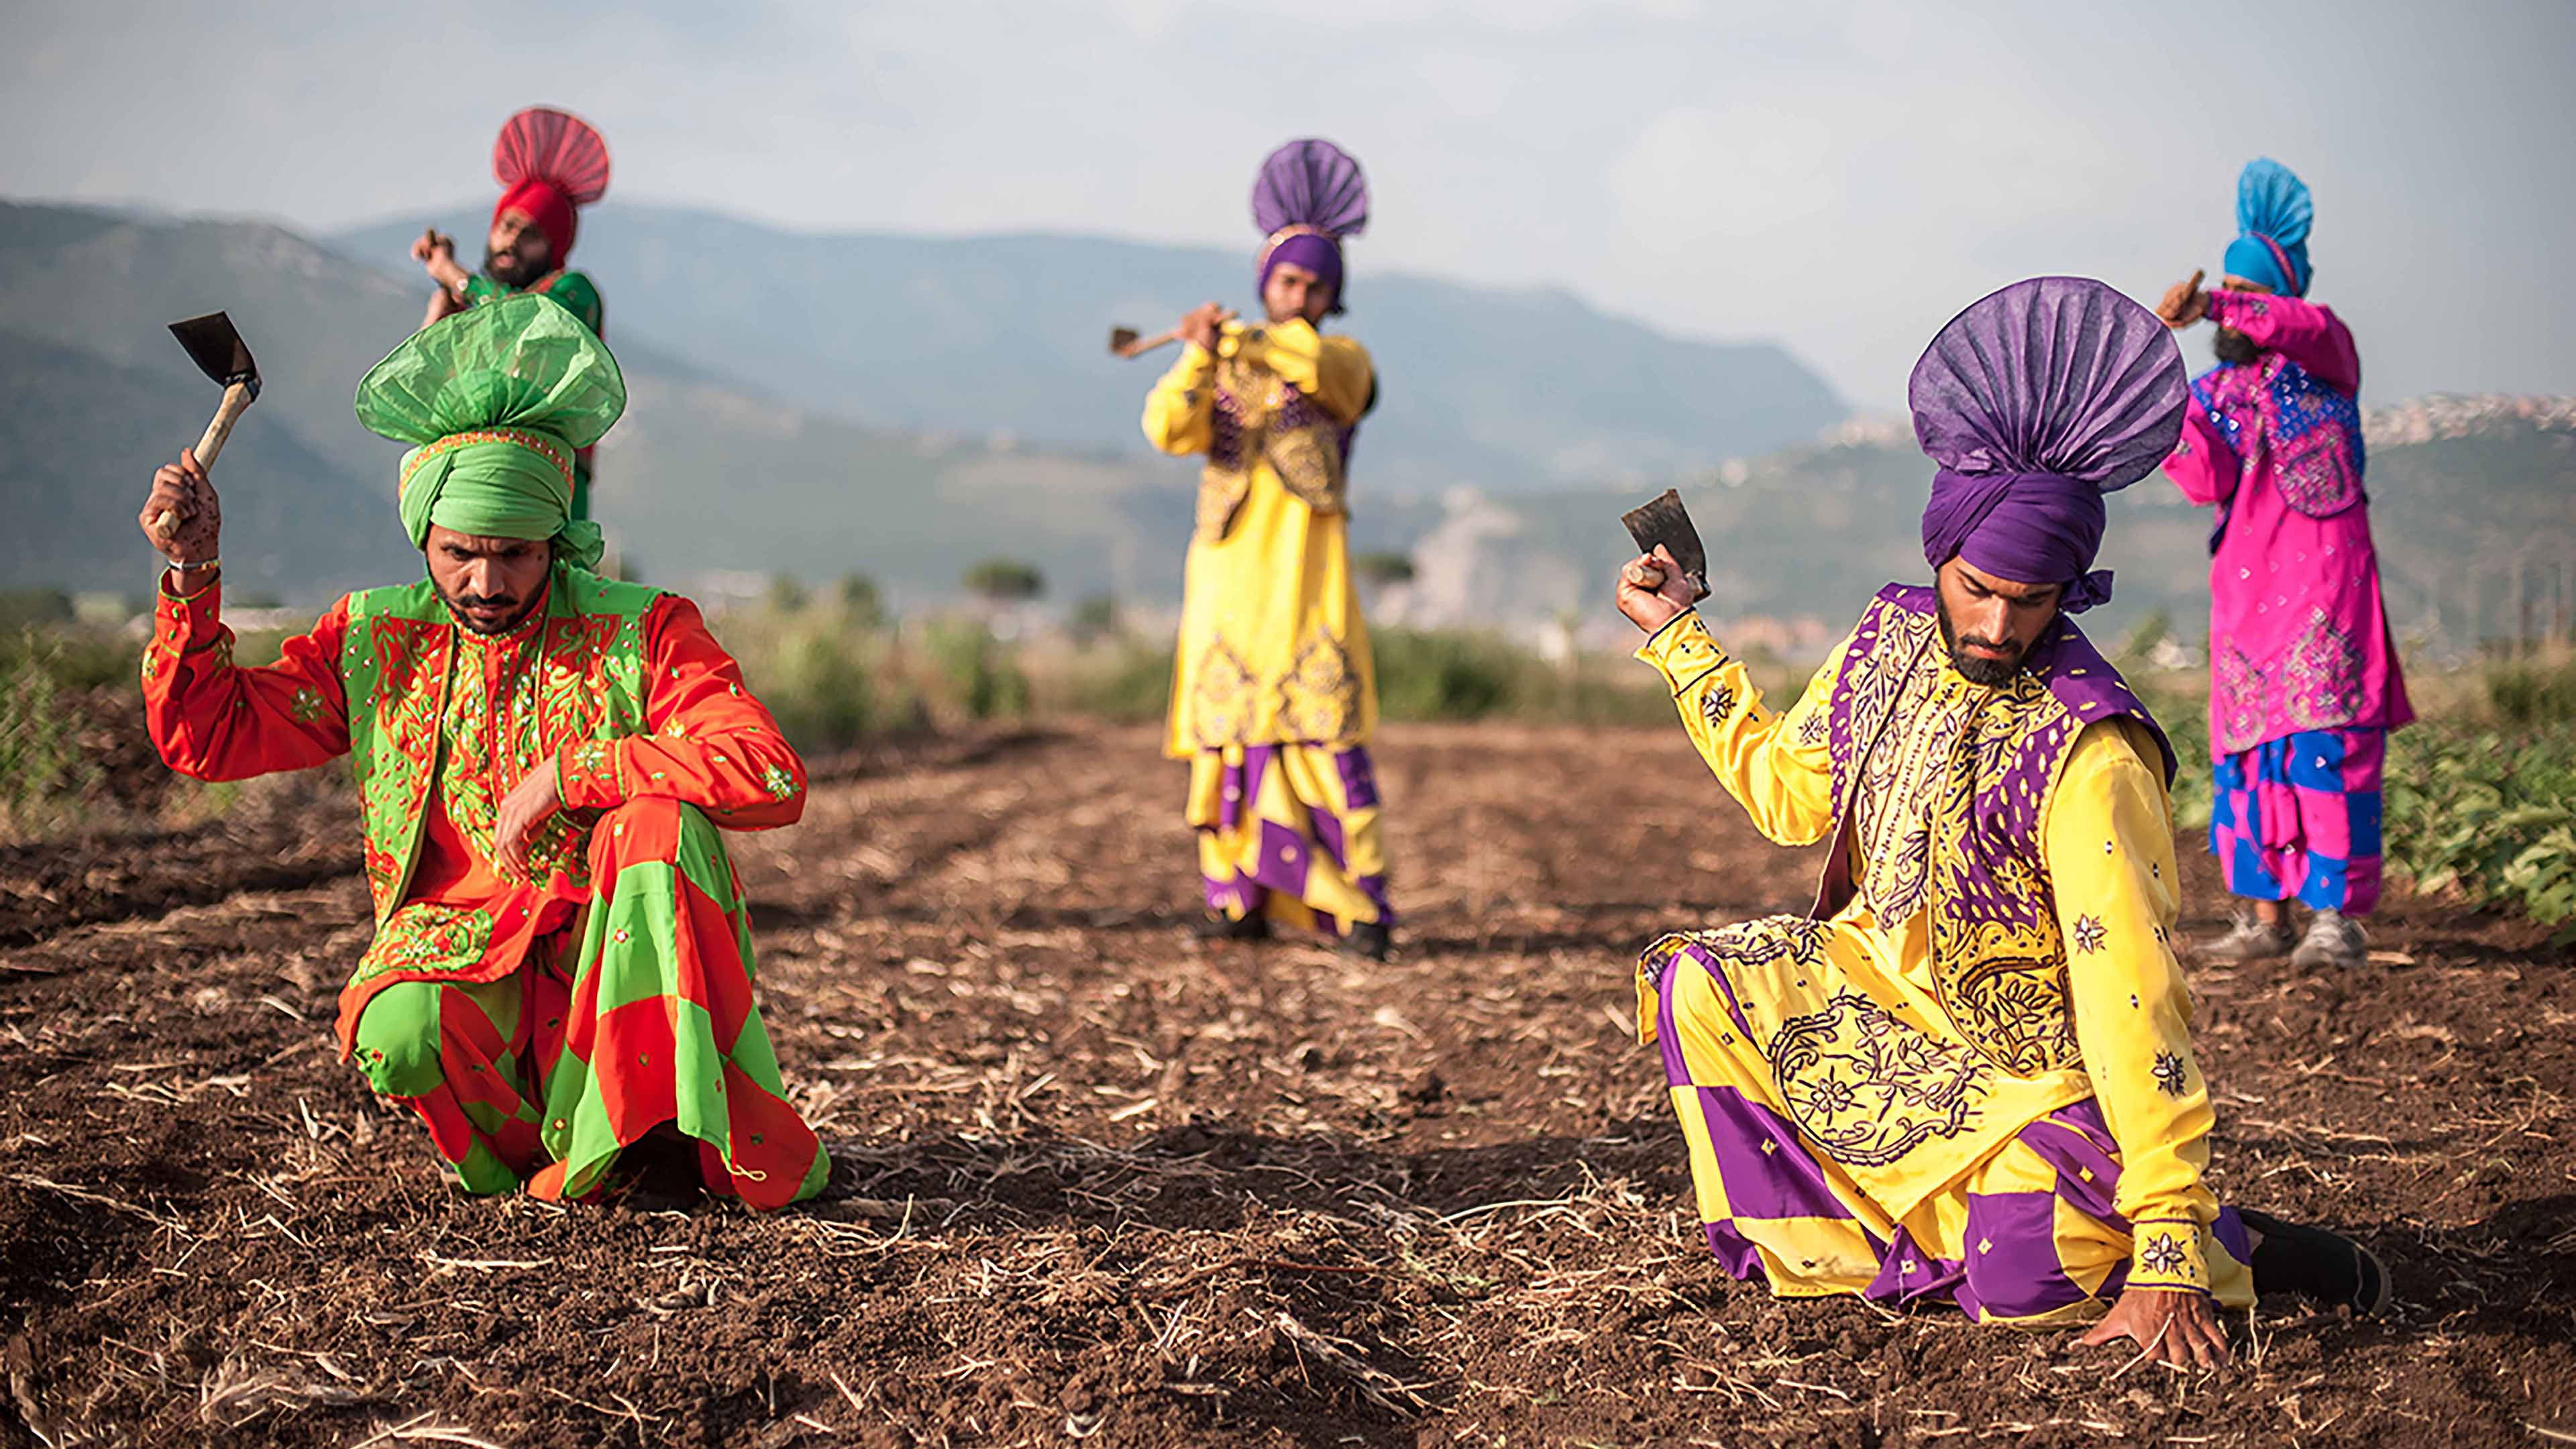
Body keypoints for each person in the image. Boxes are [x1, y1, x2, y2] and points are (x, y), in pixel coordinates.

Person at [1617, 278, 2387, 1364]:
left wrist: (2165, 1233)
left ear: (2070, 588)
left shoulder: (2093, 752)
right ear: (1940, 552)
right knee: (1700, 982)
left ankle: (2223, 1246)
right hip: (1885, 1015)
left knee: (2027, 1271)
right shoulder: (1886, 641)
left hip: (2032, 1082)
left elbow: (2135, 994)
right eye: (1978, 589)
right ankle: (1912, 1237)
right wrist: (1680, 640)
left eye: (2033, 601)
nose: (1997, 624)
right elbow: (1789, 797)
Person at [137, 294, 825, 1208]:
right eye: (460, 553)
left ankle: (657, 1132)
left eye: (518, 555)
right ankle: (551, 1173)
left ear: (558, 542)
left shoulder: (643, 632)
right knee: (401, 1031)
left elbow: (768, 771)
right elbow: (209, 734)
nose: (488, 583)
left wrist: (584, 771)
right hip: (465, 956)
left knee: (657, 829)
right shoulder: (376, 639)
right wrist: (193, 573)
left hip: (604, 960)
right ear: (423, 532)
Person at [2157, 158, 2410, 969]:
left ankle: (2335, 921)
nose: (2231, 311)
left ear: (2278, 298)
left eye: (2247, 292)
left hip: (2326, 596)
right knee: (2251, 760)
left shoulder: (2327, 356)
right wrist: (2156, 395)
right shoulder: (2215, 391)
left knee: (2324, 751)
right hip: (2245, 593)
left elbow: (2302, 328)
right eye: (2225, 292)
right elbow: (2204, 480)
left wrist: (2217, 302)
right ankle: (2266, 921)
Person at [1142, 139, 1393, 960]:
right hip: (1225, 582)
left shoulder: (1342, 360)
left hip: (1308, 583)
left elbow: (1327, 373)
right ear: (1266, 280)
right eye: (1290, 281)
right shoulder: (1221, 360)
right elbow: (1166, 429)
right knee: (1227, 746)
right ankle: (1233, 899)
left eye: (1318, 284)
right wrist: (1195, 354)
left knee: (1322, 741)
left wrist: (1249, 338)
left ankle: (1356, 908)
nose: (1303, 295)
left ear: (1334, 293)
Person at [411, 107, 613, 521]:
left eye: (532, 234)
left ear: (555, 247)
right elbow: (424, 388)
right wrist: (443, 306)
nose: (512, 241)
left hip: (549, 484)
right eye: (507, 226)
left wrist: (456, 276)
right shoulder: (479, 307)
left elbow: (525, 319)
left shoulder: (573, 293)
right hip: (472, 482)